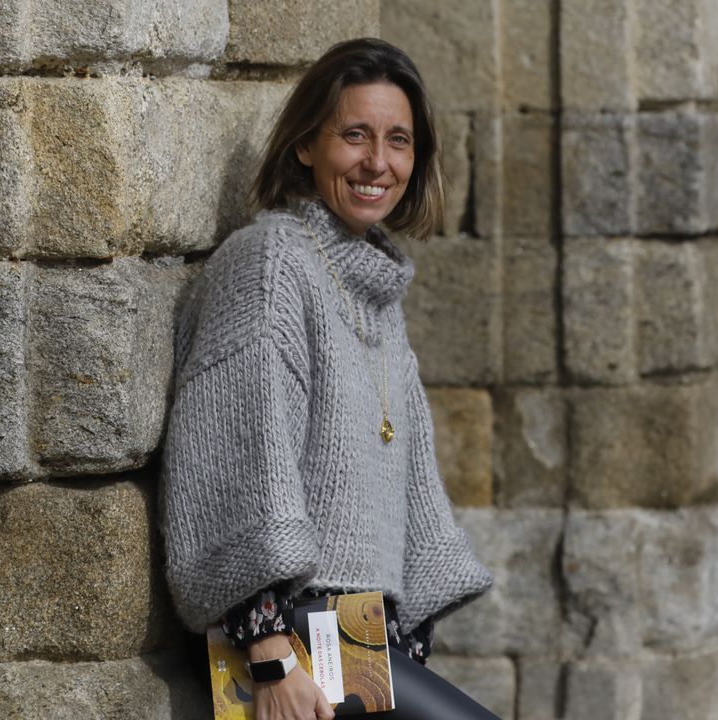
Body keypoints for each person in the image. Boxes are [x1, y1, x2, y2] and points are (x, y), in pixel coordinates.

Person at [160, 38, 495, 720]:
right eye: (355, 135)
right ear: (307, 145)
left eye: (398, 140)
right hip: (290, 635)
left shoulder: (373, 287)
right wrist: (271, 659)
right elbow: (237, 460)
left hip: (360, 640)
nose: (378, 162)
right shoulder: (272, 262)